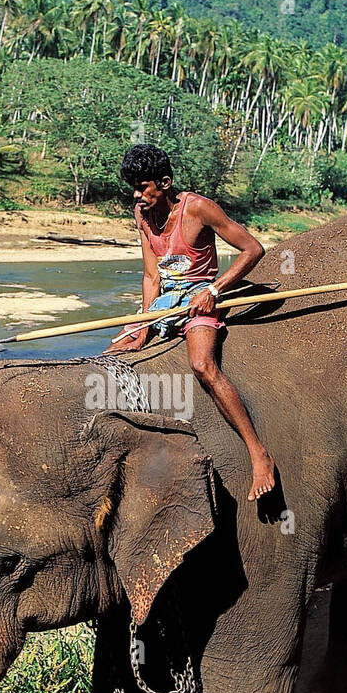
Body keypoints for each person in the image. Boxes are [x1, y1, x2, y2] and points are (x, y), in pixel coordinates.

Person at [106, 143, 276, 501]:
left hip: (200, 294)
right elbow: (152, 276)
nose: (137, 196)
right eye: (133, 189)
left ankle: (258, 452)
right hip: (166, 299)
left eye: (143, 187)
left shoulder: (198, 209)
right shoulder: (141, 215)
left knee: (202, 366)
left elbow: (253, 249)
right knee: (114, 354)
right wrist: (143, 323)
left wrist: (213, 290)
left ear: (165, 183)